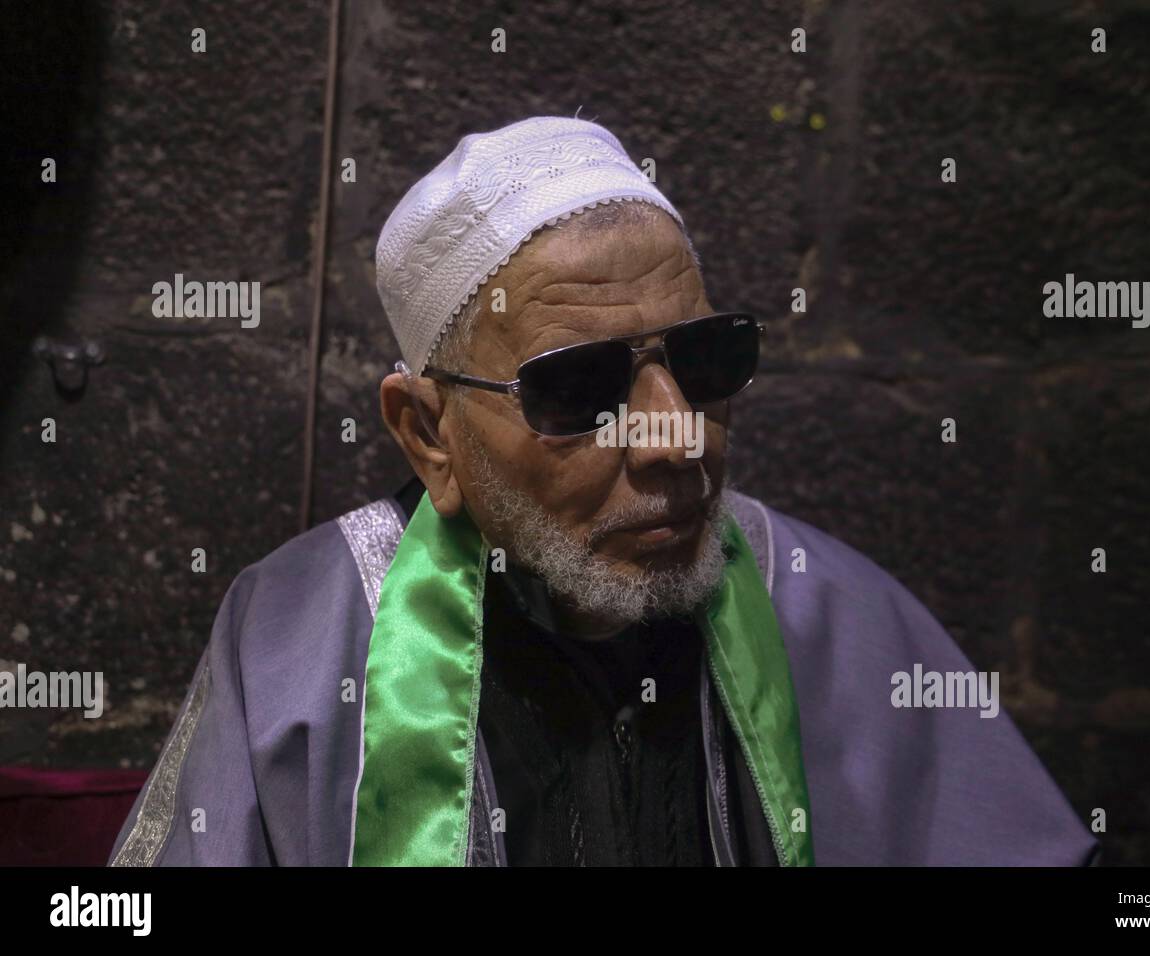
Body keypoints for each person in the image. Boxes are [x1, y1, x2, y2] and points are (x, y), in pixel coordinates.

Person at [110, 115, 1097, 866]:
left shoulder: (835, 615)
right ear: (428, 432)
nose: (673, 434)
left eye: (705, 359)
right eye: (580, 386)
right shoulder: (293, 638)